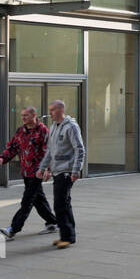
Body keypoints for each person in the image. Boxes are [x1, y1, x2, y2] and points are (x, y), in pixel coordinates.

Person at [0, 106, 59, 239]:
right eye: (22, 115)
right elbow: (13, 147)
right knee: (38, 200)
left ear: (33, 115)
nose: (23, 118)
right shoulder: (21, 131)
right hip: (26, 171)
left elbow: (50, 151)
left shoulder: (43, 131)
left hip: (38, 172)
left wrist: (48, 169)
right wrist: (3, 158)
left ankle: (13, 228)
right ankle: (53, 222)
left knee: (27, 200)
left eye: (26, 115)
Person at [37, 100, 84, 249]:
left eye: (52, 110)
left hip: (67, 171)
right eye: (50, 110)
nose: (50, 113)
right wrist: (43, 168)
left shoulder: (71, 127)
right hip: (57, 170)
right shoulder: (53, 127)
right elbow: (50, 151)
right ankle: (68, 235)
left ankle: (67, 237)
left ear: (60, 110)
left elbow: (79, 149)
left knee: (60, 204)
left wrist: (76, 170)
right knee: (64, 204)